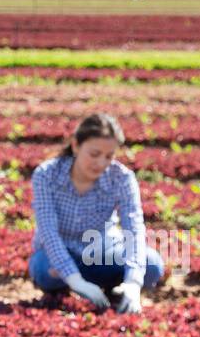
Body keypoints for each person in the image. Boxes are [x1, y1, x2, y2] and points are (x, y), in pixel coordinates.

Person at [28, 112, 169, 314]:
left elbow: (134, 228)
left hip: (102, 254)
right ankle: (72, 286)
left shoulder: (121, 178)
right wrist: (75, 280)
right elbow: (48, 231)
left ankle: (116, 289)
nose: (101, 163)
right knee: (44, 271)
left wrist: (133, 283)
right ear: (76, 146)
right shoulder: (46, 175)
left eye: (109, 156)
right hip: (58, 257)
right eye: (94, 154)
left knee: (152, 265)